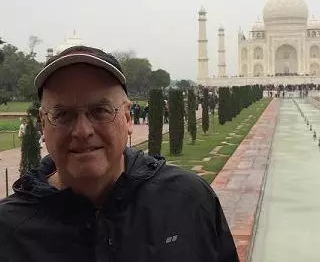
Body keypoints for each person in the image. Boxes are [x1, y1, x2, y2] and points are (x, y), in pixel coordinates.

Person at [0, 46, 239, 261]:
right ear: (43, 124)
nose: (82, 131)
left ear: (127, 118)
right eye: (63, 115)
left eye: (100, 111)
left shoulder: (187, 202)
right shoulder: (9, 231)